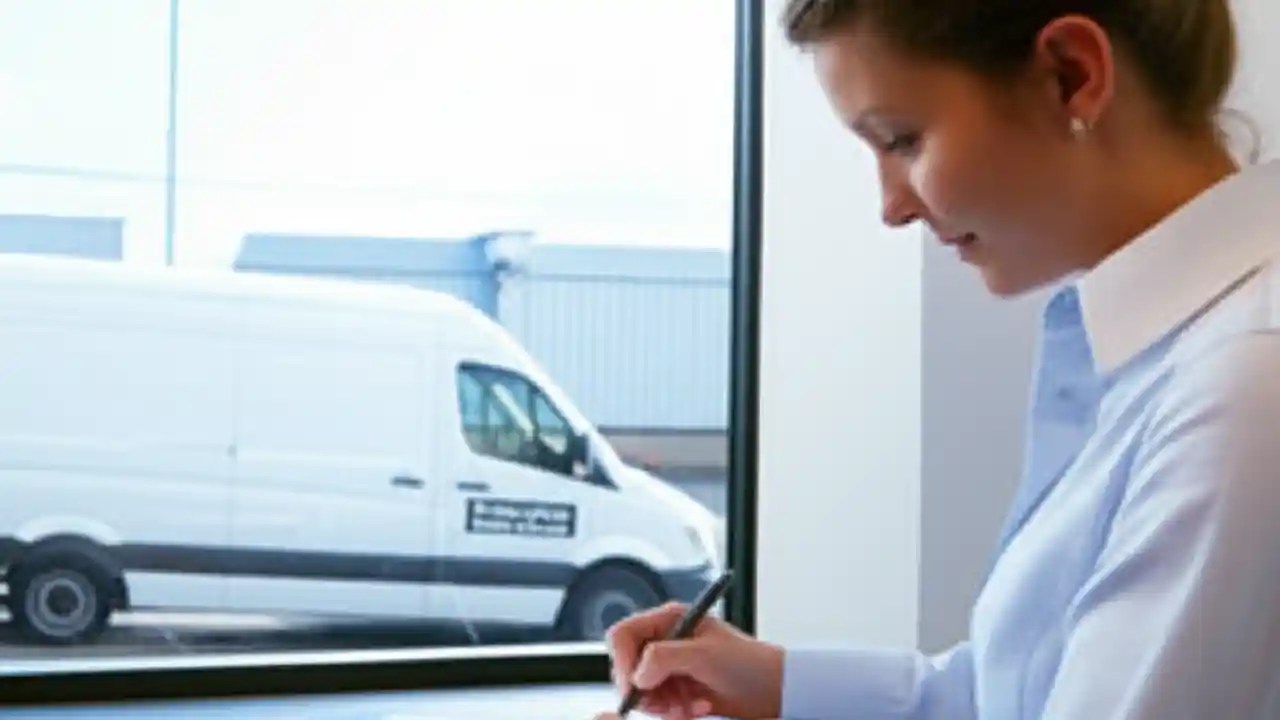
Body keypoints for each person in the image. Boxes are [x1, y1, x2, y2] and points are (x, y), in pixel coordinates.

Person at [595, 0, 1280, 718]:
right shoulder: (1171, 353)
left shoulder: (1243, 388)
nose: (891, 206)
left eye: (904, 141)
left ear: (1070, 76)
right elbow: (1010, 694)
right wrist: (773, 683)